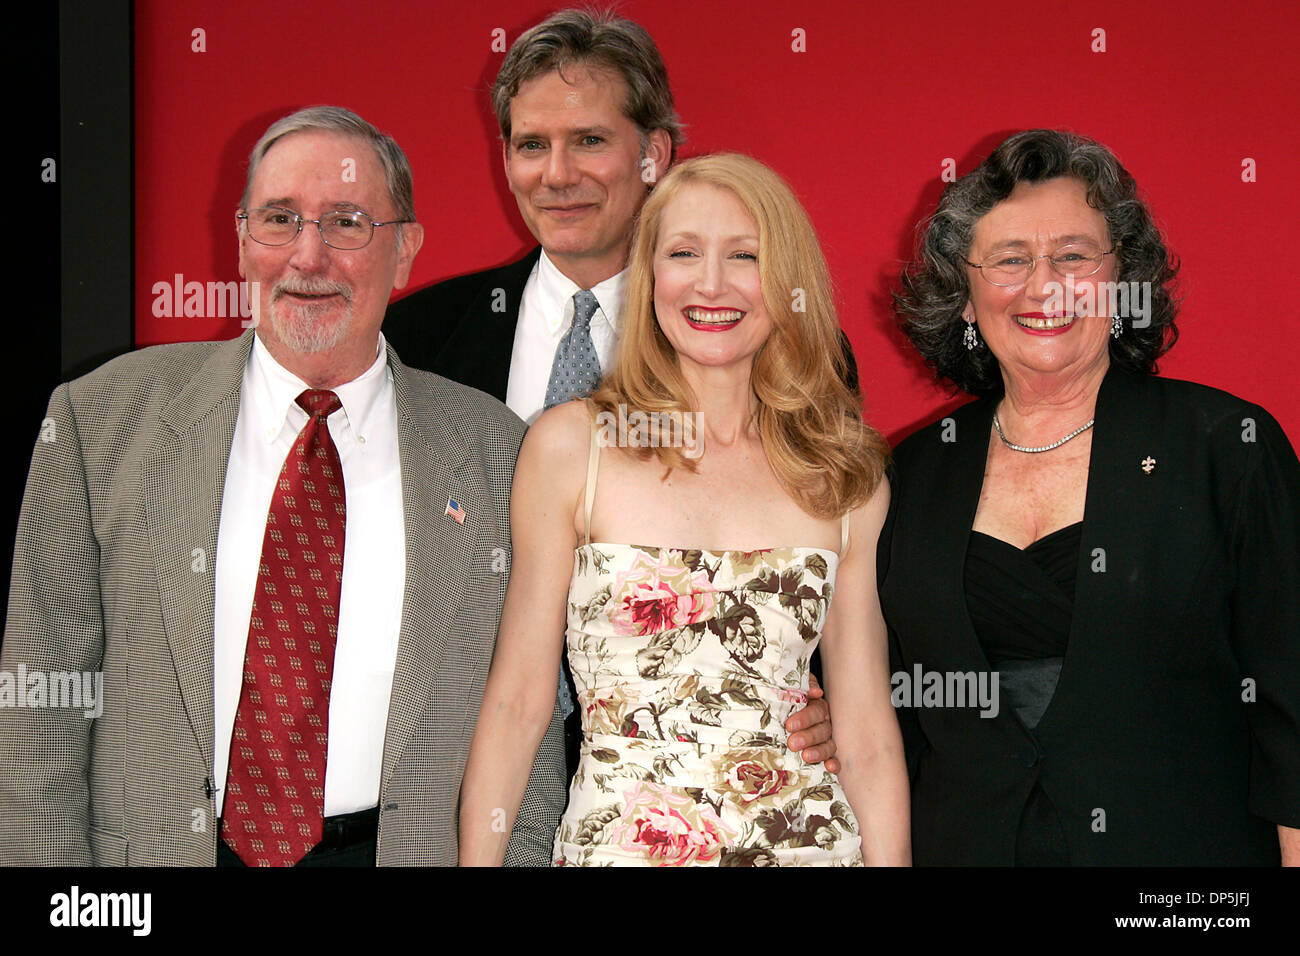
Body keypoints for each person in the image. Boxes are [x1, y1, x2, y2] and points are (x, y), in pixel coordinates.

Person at [0, 106, 565, 866]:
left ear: (404, 253)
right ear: (241, 243)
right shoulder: (100, 424)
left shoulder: (497, 450)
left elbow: (530, 714)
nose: (308, 256)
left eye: (347, 223)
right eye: (279, 220)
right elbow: (40, 713)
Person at [384, 7, 844, 773]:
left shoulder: (786, 348)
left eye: (590, 140)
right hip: (459, 761)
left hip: (692, 781)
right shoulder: (419, 341)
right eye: (532, 145)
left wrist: (815, 683)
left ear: (655, 153)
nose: (556, 174)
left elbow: (830, 558)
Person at [459, 153, 909, 866]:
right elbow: (518, 702)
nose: (710, 283)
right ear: (649, 276)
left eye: (745, 255)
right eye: (683, 253)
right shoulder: (575, 447)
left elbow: (869, 738)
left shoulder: (842, 474)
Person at [884, 128, 1300, 865]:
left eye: (1073, 256)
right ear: (965, 297)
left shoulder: (1225, 446)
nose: (1044, 286)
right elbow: (880, 708)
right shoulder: (910, 476)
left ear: (1122, 280)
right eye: (1010, 260)